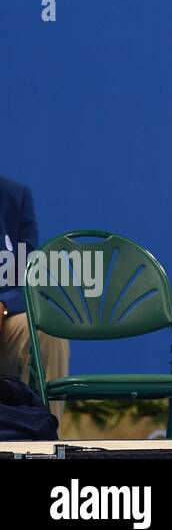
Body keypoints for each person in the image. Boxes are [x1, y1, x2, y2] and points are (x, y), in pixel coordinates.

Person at [0, 175, 70, 420]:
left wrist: (4, 304)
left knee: (47, 333)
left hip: (2, 321)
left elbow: (25, 277)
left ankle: (46, 439)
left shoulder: (12, 196)